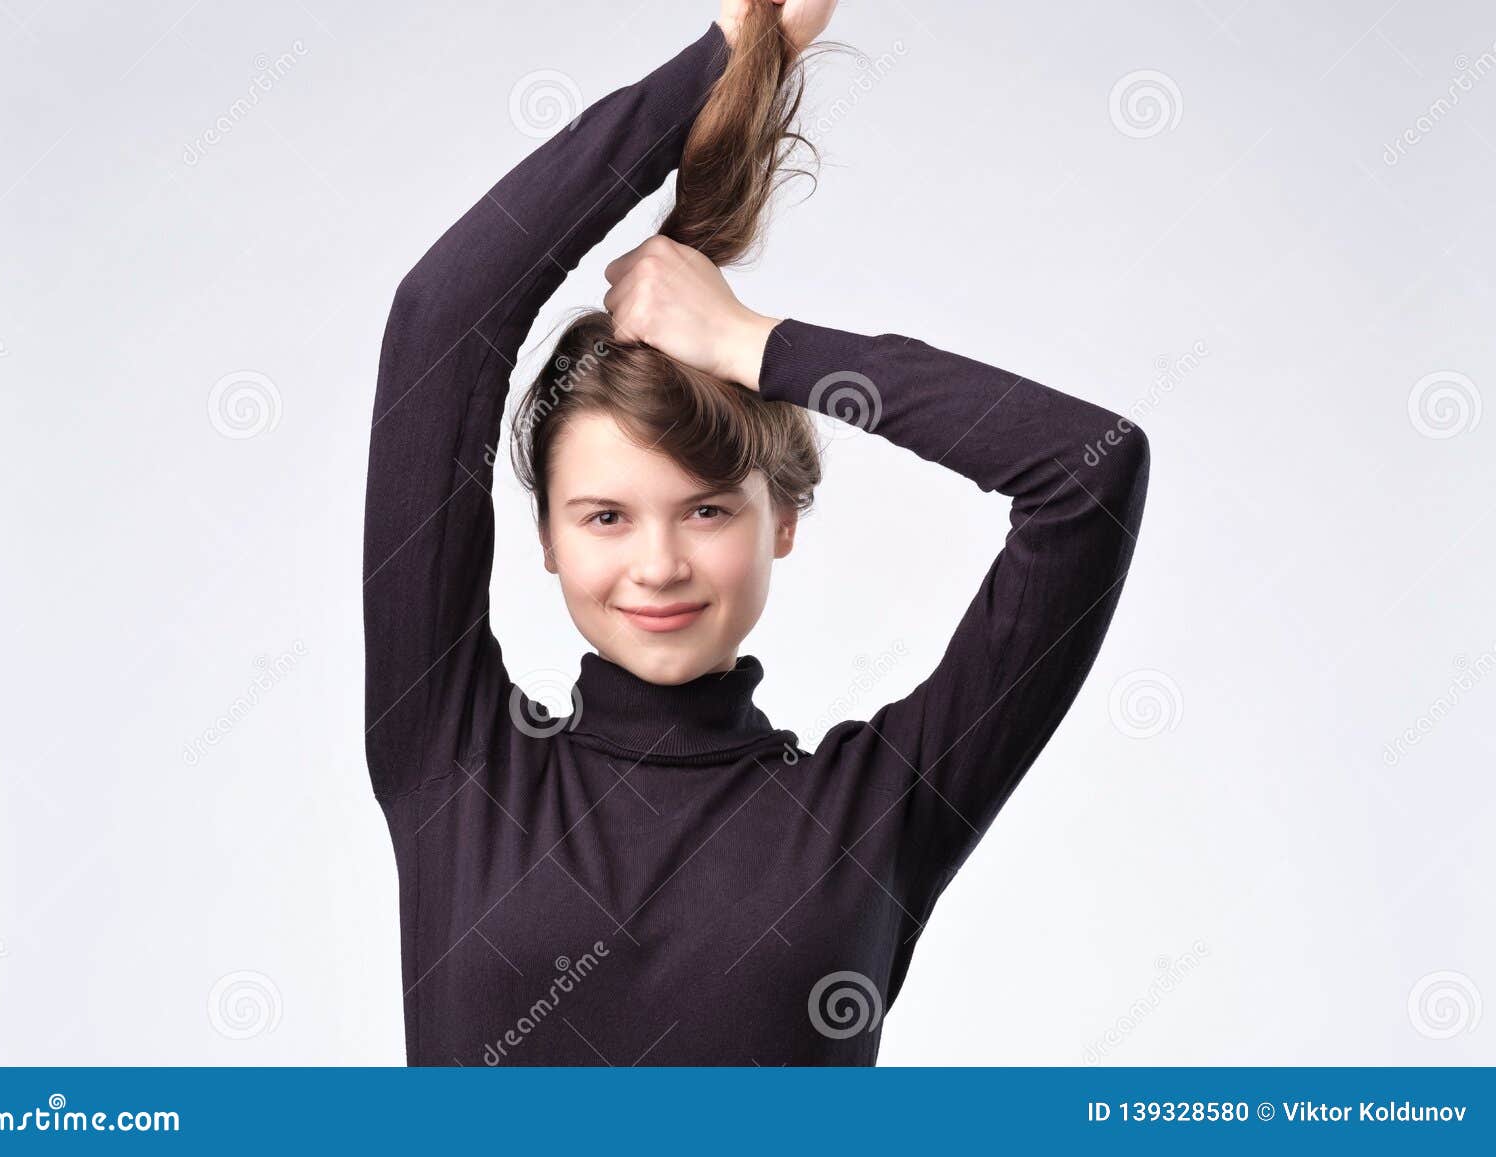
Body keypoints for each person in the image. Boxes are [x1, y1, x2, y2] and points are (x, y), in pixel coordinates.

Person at [363, 0, 1149, 1066]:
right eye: (604, 515)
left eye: (707, 508)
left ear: (782, 519)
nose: (658, 564)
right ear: (544, 535)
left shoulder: (879, 814)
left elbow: (1085, 472)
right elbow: (441, 321)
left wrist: (753, 342)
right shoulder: (452, 762)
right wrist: (735, 53)